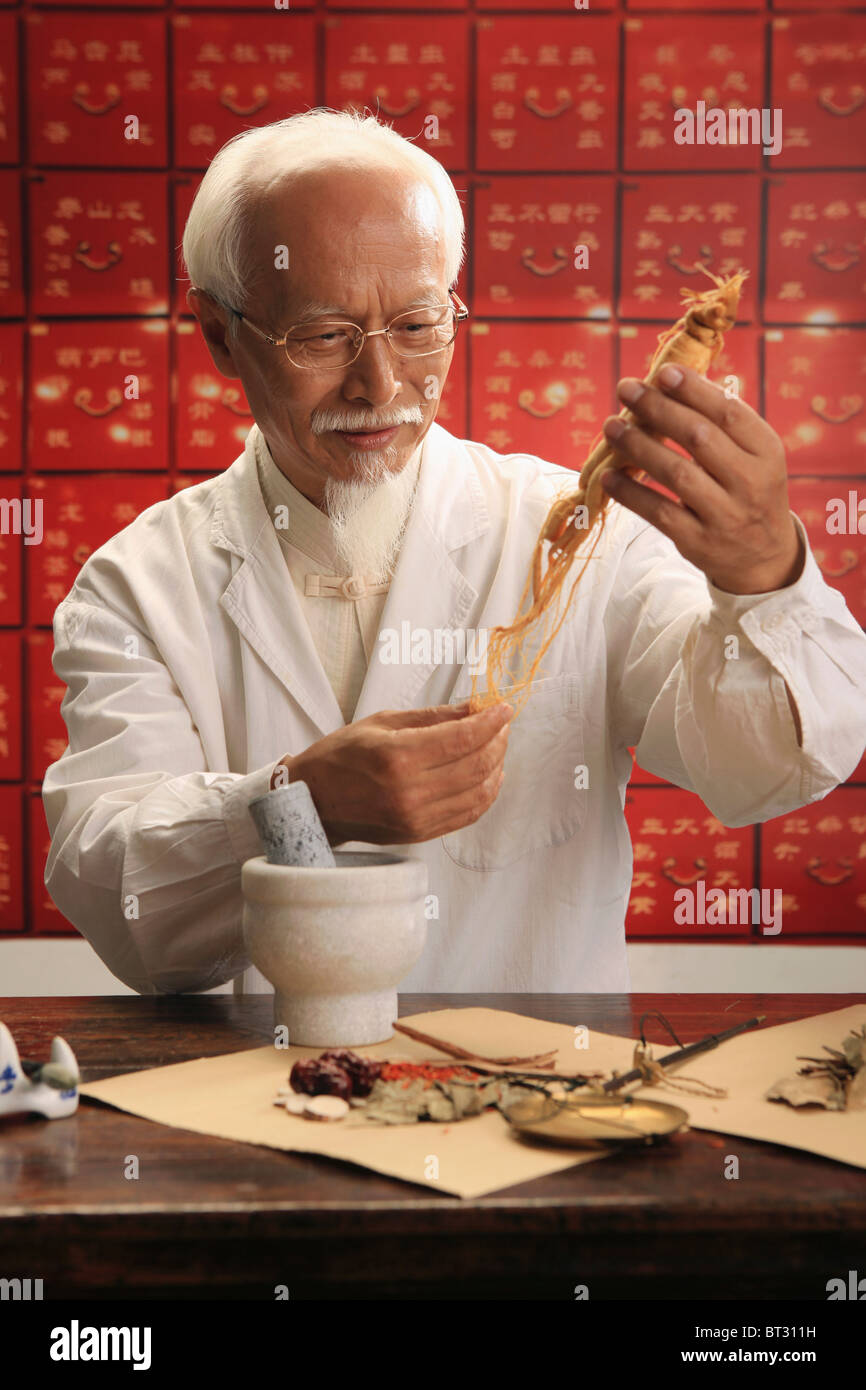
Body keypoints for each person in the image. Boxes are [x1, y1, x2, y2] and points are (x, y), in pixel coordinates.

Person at [42, 109, 866, 995]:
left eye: (416, 325)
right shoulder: (137, 588)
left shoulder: (576, 534)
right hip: (264, 1110)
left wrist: (763, 579)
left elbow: (771, 769)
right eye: (323, 336)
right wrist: (298, 806)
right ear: (219, 334)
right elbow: (128, 913)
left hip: (536, 1108)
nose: (382, 386)